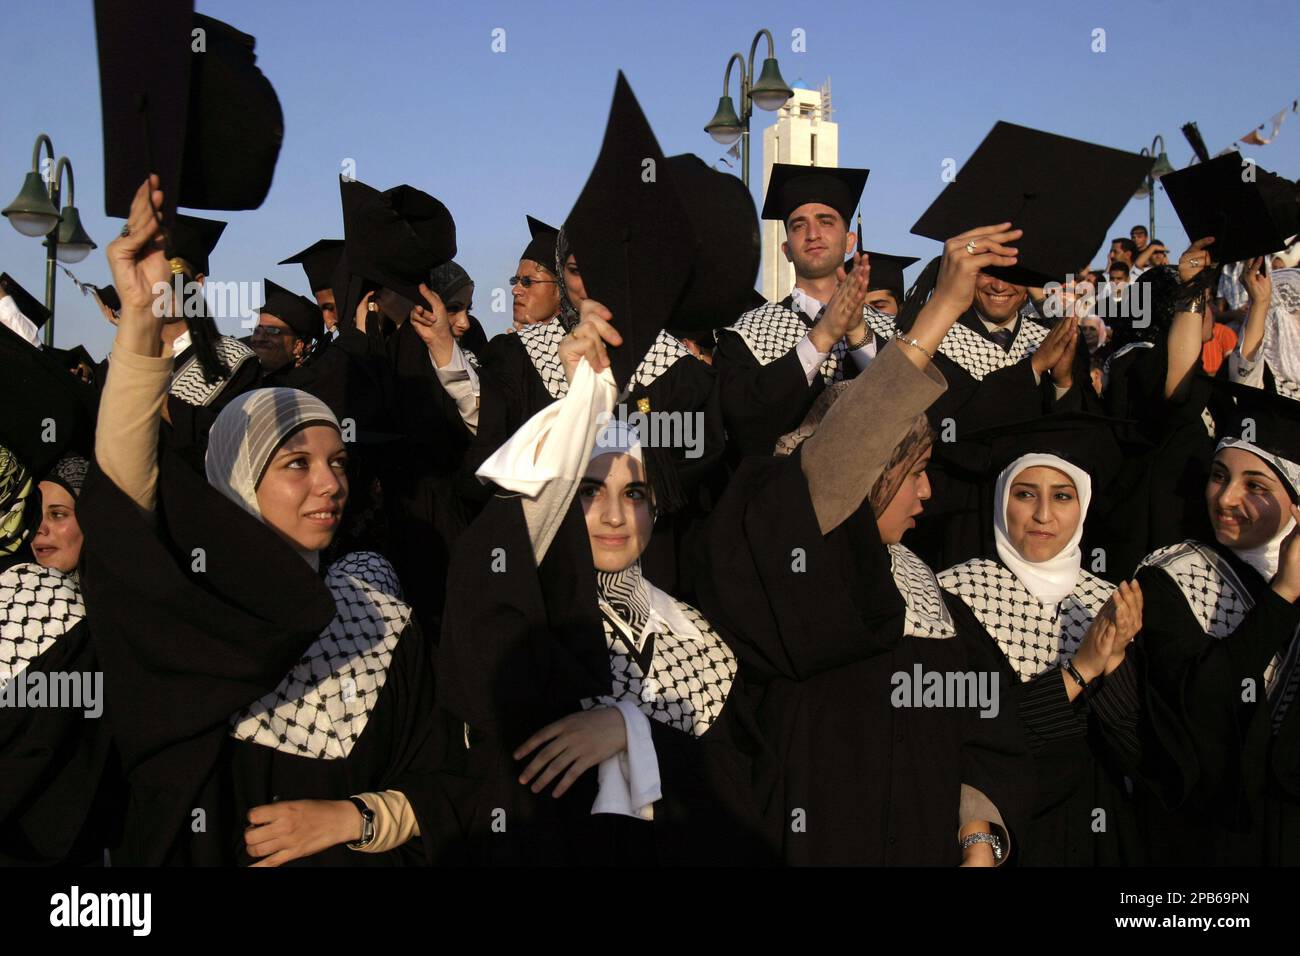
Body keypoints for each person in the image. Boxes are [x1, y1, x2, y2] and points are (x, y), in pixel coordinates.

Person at [77, 175, 447, 866]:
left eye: (338, 462)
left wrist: (361, 817)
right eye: (295, 464)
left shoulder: (379, 621)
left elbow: (443, 780)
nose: (329, 484)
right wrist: (141, 320)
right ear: (238, 478)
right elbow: (126, 500)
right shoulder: (192, 609)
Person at [694, 225, 1034, 865]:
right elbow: (835, 466)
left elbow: (985, 739)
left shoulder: (932, 597)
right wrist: (940, 311)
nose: (928, 494)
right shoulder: (788, 554)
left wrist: (979, 833)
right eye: (912, 473)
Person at [438, 299, 780, 864]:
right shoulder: (528, 618)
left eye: (635, 494)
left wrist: (630, 731)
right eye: (589, 493)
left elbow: (735, 793)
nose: (616, 518)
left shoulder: (697, 637)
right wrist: (581, 405)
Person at [938, 425, 1148, 864]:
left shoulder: (1108, 601)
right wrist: (1081, 670)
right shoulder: (956, 596)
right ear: (1001, 500)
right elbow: (979, 738)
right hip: (1013, 833)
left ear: (1084, 505)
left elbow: (1141, 752)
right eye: (1026, 494)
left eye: (1063, 497)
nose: (1044, 516)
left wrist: (1117, 663)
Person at [1133, 382, 1300, 864]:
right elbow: (1202, 698)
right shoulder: (1172, 576)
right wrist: (1282, 595)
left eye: (1255, 486)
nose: (1225, 499)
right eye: (1218, 475)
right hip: (1219, 834)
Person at [1, 453, 121, 865]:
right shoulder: (22, 606)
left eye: (59, 513)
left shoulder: (124, 617)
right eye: (37, 514)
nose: (42, 529)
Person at [714, 164, 878, 458]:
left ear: (850, 242)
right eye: (799, 225)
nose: (812, 234)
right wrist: (822, 336)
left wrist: (857, 333)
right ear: (787, 249)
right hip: (783, 494)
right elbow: (743, 424)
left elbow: (902, 406)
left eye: (825, 221)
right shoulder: (747, 332)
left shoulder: (889, 329)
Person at [510, 216, 562, 330]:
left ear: (561, 290)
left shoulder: (588, 344)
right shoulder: (507, 345)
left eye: (528, 282)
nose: (515, 291)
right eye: (514, 280)